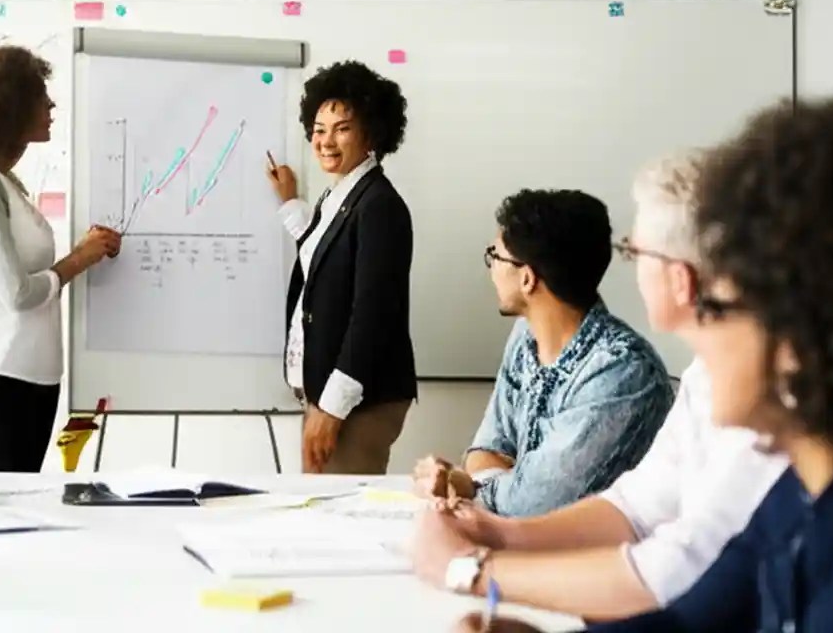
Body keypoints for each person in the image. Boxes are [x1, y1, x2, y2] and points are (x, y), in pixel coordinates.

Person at [457, 94, 833, 632]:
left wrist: (473, 566)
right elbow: (692, 619)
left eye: (719, 299)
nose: (701, 313)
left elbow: (673, 572)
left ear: (803, 321)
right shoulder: (797, 494)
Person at [410, 152, 787, 621]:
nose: (625, 264)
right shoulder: (704, 373)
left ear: (680, 278)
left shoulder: (641, 373)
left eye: (635, 252)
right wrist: (492, 531)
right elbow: (635, 506)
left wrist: (469, 567)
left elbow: (678, 565)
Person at [430, 190, 673, 517]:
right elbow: (487, 448)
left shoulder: (621, 372)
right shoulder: (525, 333)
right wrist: (491, 482)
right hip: (526, 545)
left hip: (599, 557)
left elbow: (534, 503)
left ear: (527, 278)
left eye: (496, 256)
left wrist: (471, 486)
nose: (491, 269)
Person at [0, 45, 120, 472]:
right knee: (5, 513)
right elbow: (16, 292)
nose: (52, 105)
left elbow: (32, 277)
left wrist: (83, 252)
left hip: (35, 377)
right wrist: (80, 258)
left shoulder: (3, 180)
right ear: (8, 106)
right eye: (41, 96)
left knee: (27, 501)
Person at [266, 60, 416, 474]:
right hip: (331, 396)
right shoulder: (342, 197)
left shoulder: (379, 205)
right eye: (318, 129)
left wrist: (331, 409)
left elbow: (373, 314)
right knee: (318, 516)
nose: (326, 141)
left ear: (371, 134)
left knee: (339, 523)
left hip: (355, 403)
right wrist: (290, 203)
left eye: (342, 128)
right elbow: (322, 257)